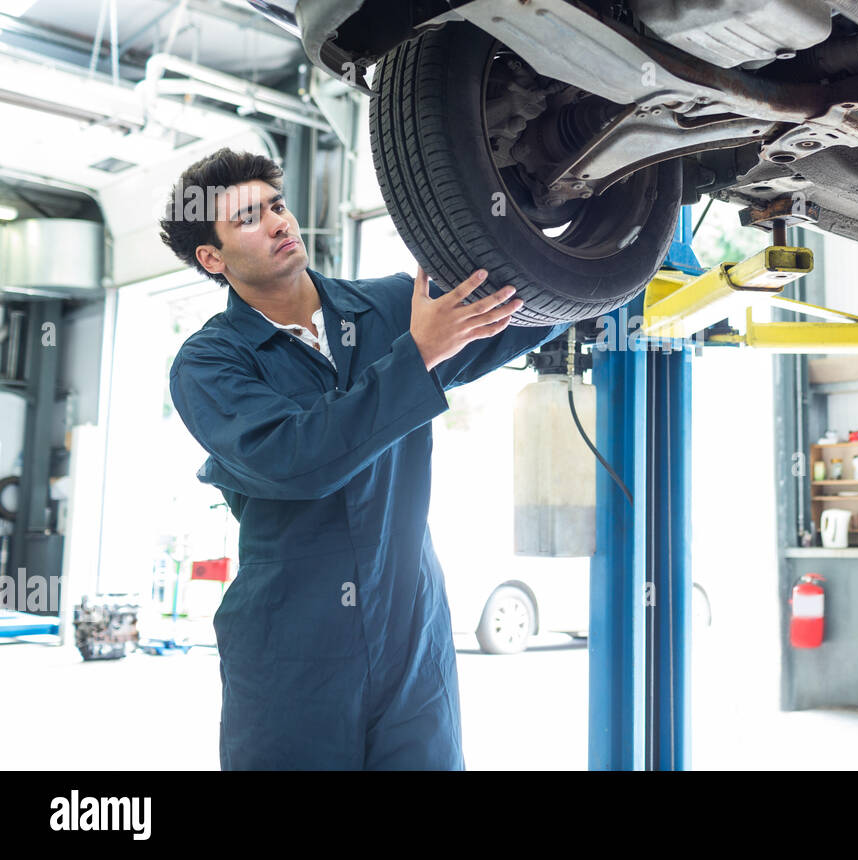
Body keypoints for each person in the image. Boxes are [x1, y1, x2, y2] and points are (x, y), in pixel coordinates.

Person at [160, 148, 569, 769]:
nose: (278, 223)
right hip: (291, 650)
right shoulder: (209, 363)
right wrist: (418, 355)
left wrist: (610, 239)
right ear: (212, 258)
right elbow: (297, 458)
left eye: (276, 205)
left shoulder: (390, 308)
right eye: (248, 218)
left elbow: (525, 308)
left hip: (412, 637)